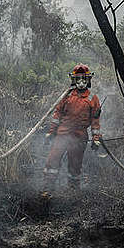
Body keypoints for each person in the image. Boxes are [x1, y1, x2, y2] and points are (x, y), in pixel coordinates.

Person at [42, 64, 102, 200]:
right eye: (78, 79)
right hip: (62, 135)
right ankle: (47, 190)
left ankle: (72, 193)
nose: (81, 82)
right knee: (52, 160)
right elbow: (57, 114)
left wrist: (96, 138)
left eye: (84, 79)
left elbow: (95, 121)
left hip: (79, 138)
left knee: (75, 166)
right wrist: (51, 131)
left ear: (88, 80)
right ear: (74, 80)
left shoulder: (93, 98)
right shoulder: (67, 95)